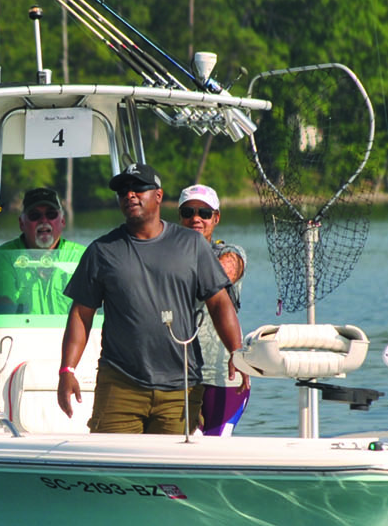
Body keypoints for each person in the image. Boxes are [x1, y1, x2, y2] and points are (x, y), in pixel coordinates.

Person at [56, 163, 246, 434]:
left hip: (180, 387)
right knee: (113, 460)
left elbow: (219, 303)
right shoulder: (101, 251)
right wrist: (67, 370)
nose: (129, 194)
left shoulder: (191, 245)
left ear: (158, 195)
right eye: (123, 191)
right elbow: (80, 314)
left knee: (173, 461)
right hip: (120, 385)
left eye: (138, 188)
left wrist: (237, 352)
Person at [175, 183, 250, 435]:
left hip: (223, 377)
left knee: (215, 447)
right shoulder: (166, 257)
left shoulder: (231, 253)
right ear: (180, 217)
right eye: (188, 212)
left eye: (204, 213)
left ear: (216, 218)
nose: (196, 218)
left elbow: (222, 273)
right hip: (177, 377)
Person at [0, 186, 84, 315]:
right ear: (21, 223)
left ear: (62, 221)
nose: (43, 220)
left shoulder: (82, 256)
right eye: (34, 215)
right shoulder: (3, 257)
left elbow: (90, 311)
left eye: (51, 214)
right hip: (21, 329)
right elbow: (4, 309)